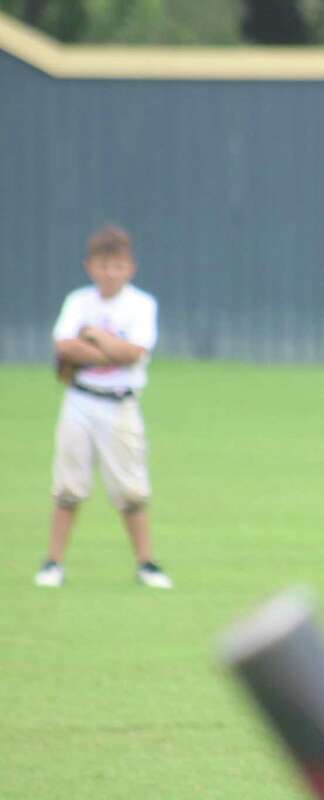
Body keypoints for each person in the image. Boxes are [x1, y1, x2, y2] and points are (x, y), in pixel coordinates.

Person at [34, 225, 172, 590]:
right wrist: (108, 349)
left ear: (131, 268)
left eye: (118, 265)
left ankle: (147, 564)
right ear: (90, 266)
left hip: (120, 404)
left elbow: (133, 353)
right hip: (80, 399)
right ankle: (53, 563)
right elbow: (64, 346)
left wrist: (94, 337)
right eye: (103, 264)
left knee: (131, 491)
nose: (110, 272)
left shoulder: (141, 305)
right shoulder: (79, 301)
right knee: (68, 487)